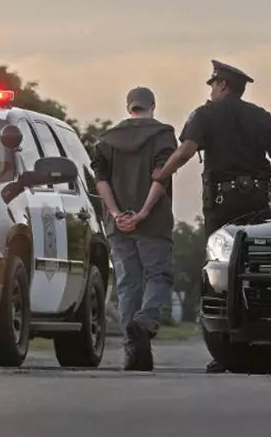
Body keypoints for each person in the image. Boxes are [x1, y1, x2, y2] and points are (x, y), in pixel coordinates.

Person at [150, 60, 271, 373]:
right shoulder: (262, 117)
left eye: (213, 85)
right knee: (260, 269)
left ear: (223, 85)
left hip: (222, 205)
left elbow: (186, 151)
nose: (212, 90)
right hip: (259, 204)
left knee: (222, 273)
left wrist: (161, 174)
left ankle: (226, 348)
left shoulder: (204, 115)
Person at [90, 86, 178, 370]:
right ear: (153, 105)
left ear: (129, 108)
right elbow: (160, 178)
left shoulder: (107, 140)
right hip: (153, 223)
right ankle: (145, 321)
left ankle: (134, 353)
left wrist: (116, 214)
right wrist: (142, 213)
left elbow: (100, 180)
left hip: (118, 224)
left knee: (128, 284)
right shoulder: (163, 135)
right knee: (158, 275)